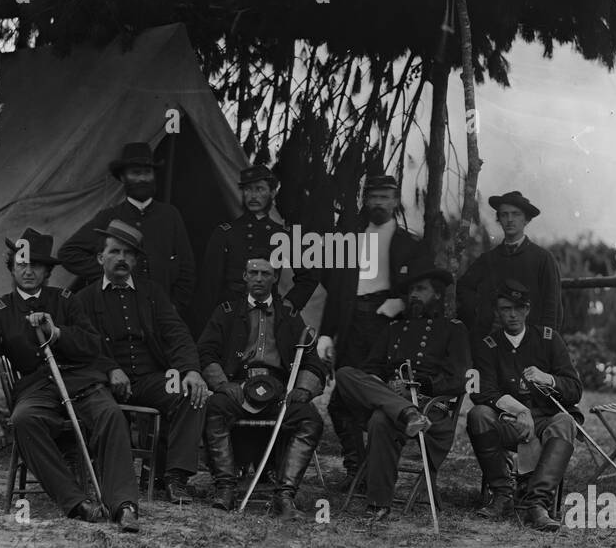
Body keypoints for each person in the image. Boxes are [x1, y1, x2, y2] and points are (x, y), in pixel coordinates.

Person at [0, 227, 141, 532]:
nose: (28, 271)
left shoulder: (66, 300)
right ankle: (76, 503)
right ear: (12, 267)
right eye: (21, 264)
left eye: (36, 265)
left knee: (111, 415)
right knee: (24, 421)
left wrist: (57, 333)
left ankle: (124, 505)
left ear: (47, 271)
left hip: (80, 382)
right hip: (35, 388)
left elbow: (91, 344)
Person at [70, 219, 209, 504]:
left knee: (189, 395)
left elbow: (177, 332)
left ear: (135, 260)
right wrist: (110, 369)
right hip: (105, 383)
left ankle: (174, 478)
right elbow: (83, 346)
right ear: (100, 258)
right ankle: (108, 477)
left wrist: (191, 371)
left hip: (150, 378)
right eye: (115, 252)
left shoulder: (152, 292)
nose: (122, 259)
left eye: (129, 254)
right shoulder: (84, 299)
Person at [318, 172, 434, 480]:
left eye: (385, 197)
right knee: (341, 402)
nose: (379, 203)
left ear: (396, 201)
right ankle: (358, 468)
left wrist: (401, 303)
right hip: (352, 323)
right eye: (373, 197)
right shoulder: (348, 240)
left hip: (389, 327)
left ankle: (379, 469)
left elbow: (425, 289)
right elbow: (337, 293)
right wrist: (327, 333)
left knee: (381, 397)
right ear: (365, 201)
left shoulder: (412, 245)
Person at [332, 268, 470, 520]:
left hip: (429, 408)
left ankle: (378, 504)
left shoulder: (453, 329)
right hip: (393, 400)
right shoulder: (394, 329)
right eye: (411, 291)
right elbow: (370, 367)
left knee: (380, 419)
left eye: (421, 289)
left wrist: (416, 386)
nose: (413, 296)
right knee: (344, 373)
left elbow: (457, 380)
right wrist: (379, 382)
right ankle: (406, 412)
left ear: (437, 295)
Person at [196, 251, 327, 516]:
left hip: (279, 393)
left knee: (311, 419)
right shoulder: (226, 312)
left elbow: (311, 359)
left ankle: (285, 495)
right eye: (253, 273)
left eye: (265, 273)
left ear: (275, 278)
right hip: (238, 389)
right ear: (244, 277)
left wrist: (302, 389)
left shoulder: (290, 315)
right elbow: (205, 352)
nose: (258, 278)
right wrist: (222, 384)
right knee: (215, 408)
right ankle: (226, 487)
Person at [467, 280, 584, 531]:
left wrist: (548, 378)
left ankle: (537, 505)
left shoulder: (548, 340)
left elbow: (575, 389)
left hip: (544, 420)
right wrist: (519, 410)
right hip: (507, 422)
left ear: (527, 309)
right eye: (505, 308)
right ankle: (502, 495)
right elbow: (481, 391)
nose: (512, 314)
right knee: (478, 415)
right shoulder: (489, 345)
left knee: (565, 422)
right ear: (498, 311)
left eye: (518, 308)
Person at [58, 141, 196, 314]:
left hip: (160, 314)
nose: (142, 179)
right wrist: (112, 269)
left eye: (147, 172)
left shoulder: (170, 215)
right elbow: (68, 254)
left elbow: (187, 267)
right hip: (118, 312)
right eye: (135, 173)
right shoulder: (108, 217)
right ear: (123, 177)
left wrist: (175, 305)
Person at [192, 163, 318, 327]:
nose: (253, 195)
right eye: (248, 189)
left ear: (272, 193)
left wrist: (289, 303)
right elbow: (208, 286)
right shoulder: (225, 232)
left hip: (266, 318)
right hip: (228, 317)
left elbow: (309, 277)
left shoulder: (282, 235)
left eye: (259, 189)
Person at [457, 190, 562, 336]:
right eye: (504, 214)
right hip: (495, 342)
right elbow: (463, 288)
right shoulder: (488, 259)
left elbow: (552, 307)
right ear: (499, 219)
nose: (510, 219)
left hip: (532, 342)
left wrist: (545, 344)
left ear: (526, 220)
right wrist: (483, 317)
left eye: (516, 214)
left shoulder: (543, 258)